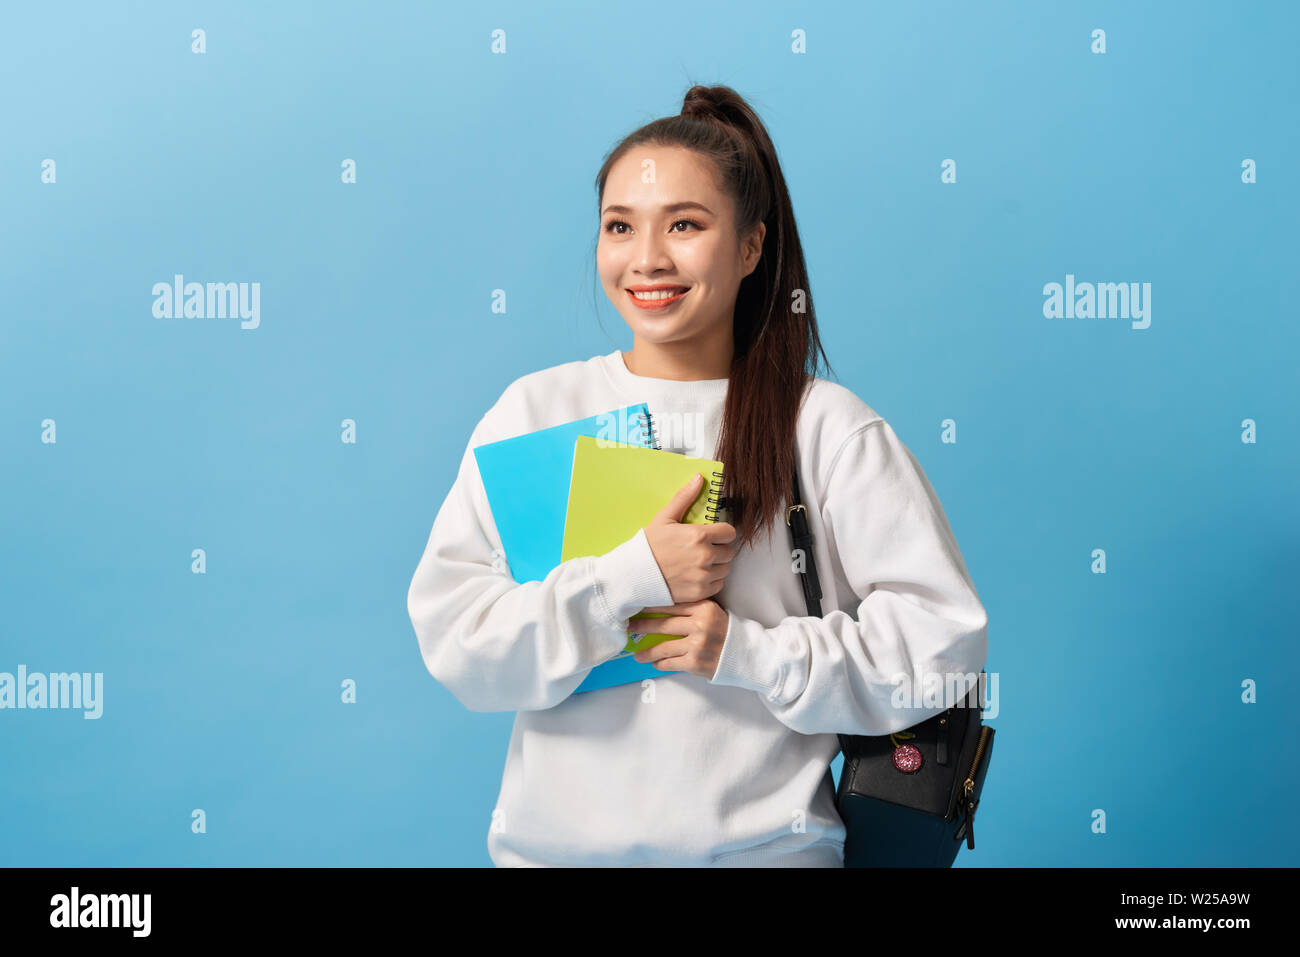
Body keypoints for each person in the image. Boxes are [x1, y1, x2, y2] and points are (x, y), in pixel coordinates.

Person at [407, 83, 989, 867]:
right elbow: (460, 648)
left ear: (751, 247)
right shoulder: (535, 409)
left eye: (685, 223)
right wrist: (627, 579)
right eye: (620, 227)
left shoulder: (824, 426)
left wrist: (746, 652)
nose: (647, 258)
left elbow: (945, 650)